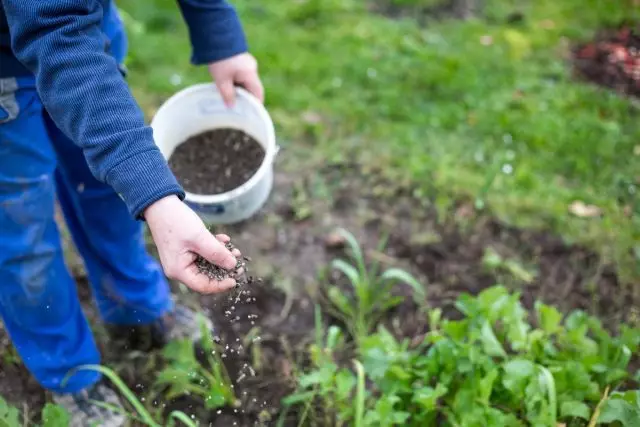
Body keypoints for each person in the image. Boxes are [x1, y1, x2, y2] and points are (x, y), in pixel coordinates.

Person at [0, 0, 264, 425]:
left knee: (106, 189)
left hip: (87, 26)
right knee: (21, 229)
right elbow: (56, 30)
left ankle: (134, 305)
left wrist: (218, 31)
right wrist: (156, 197)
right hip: (14, 64)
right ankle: (69, 372)